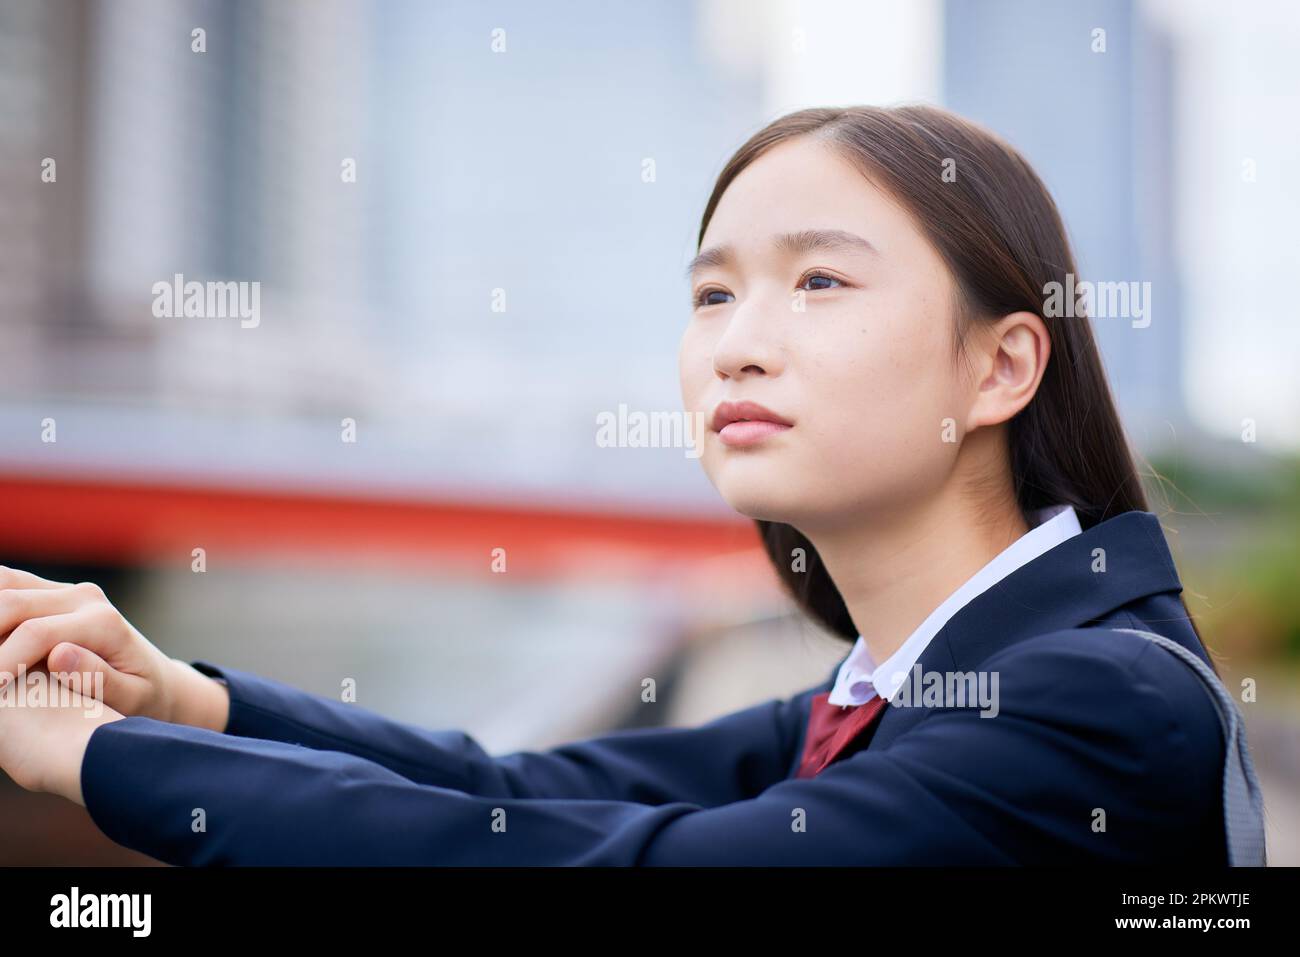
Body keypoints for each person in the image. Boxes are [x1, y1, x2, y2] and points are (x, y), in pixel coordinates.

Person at [0, 104, 1265, 865]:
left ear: (999, 367)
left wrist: (99, 759)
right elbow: (518, 796)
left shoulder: (1088, 703)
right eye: (713, 292)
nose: (738, 341)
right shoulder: (891, 686)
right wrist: (181, 702)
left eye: (818, 281)